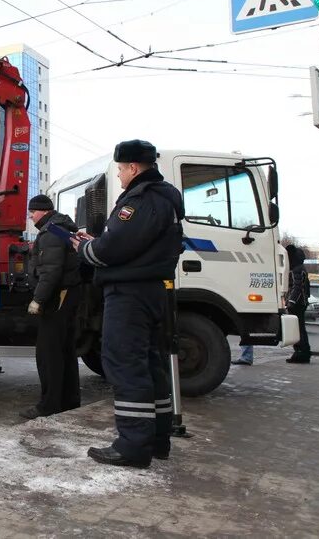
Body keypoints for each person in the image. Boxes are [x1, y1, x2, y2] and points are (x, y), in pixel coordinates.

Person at [73, 139, 184, 469]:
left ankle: (133, 446)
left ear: (133, 167)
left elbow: (111, 250)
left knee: (125, 363)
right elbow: (130, 242)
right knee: (150, 363)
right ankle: (157, 440)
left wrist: (84, 249)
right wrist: (103, 242)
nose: (120, 176)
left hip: (129, 293)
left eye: (121, 169)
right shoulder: (164, 198)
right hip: (150, 290)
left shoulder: (140, 200)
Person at [21, 194, 83, 420]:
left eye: (32, 212)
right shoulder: (59, 228)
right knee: (65, 351)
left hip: (57, 298)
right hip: (65, 296)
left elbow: (51, 270)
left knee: (49, 354)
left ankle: (48, 405)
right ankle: (69, 400)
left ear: (44, 210)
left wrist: (38, 299)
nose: (30, 216)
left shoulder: (51, 232)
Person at [285, 244, 311, 364]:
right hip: (301, 303)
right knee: (301, 329)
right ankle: (303, 353)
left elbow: (297, 287)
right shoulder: (301, 267)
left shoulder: (296, 269)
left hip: (297, 304)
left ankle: (300, 353)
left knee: (298, 330)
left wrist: (290, 302)